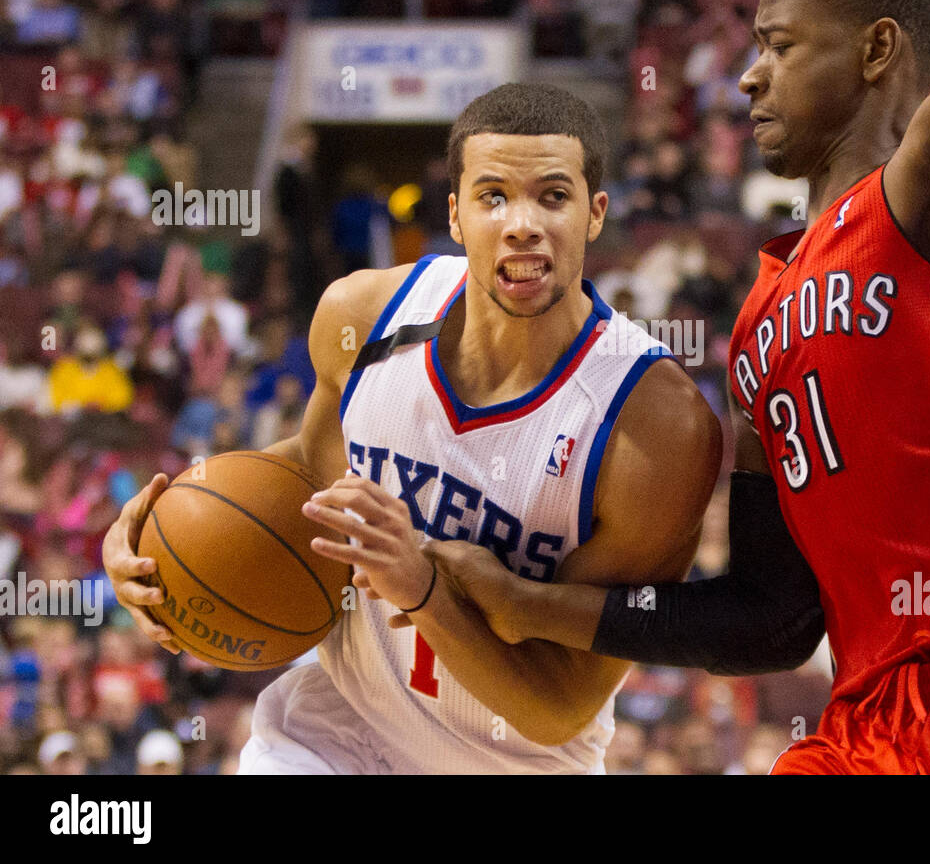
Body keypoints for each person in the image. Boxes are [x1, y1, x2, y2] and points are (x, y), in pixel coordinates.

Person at [429, 0, 930, 775]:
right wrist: (527, 604)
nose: (748, 76)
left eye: (778, 46)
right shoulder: (753, 328)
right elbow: (769, 620)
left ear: (878, 49)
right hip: (866, 721)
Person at [101, 83, 721, 773]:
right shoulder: (362, 315)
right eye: (492, 196)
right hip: (332, 737)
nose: (522, 223)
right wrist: (156, 541)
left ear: (595, 214)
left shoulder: (655, 427)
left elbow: (560, 708)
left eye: (552, 196)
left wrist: (424, 590)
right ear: (453, 215)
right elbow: (310, 474)